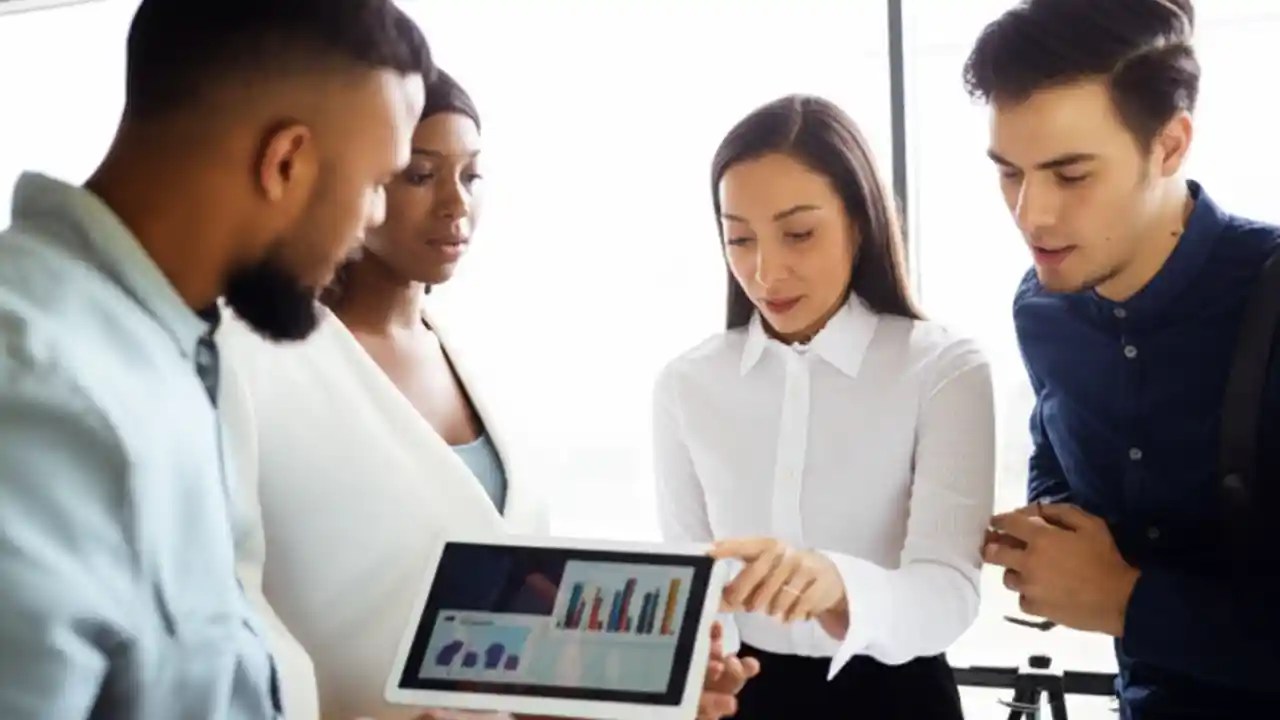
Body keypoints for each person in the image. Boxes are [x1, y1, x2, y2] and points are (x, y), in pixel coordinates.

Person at [217, 68, 758, 720]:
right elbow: (216, 615)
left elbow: (517, 650)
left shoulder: (473, 362)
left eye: (471, 176)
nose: (456, 202)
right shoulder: (252, 356)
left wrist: (649, 696)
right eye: (420, 174)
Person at [0, 1, 430, 719]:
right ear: (285, 161)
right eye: (377, 184)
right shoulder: (44, 393)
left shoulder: (170, 356)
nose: (376, 218)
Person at [965, 0, 1280, 717]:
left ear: (1169, 146)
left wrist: (1124, 601)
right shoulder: (1042, 308)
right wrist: (1045, 532)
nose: (1031, 214)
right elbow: (1058, 440)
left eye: (1071, 176)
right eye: (1009, 173)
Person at [652, 94, 996, 719]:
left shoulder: (942, 369)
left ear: (858, 222)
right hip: (739, 697)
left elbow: (949, 592)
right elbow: (690, 577)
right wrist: (705, 652)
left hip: (898, 697)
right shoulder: (687, 384)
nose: (765, 271)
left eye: (799, 234)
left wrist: (839, 585)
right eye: (739, 239)